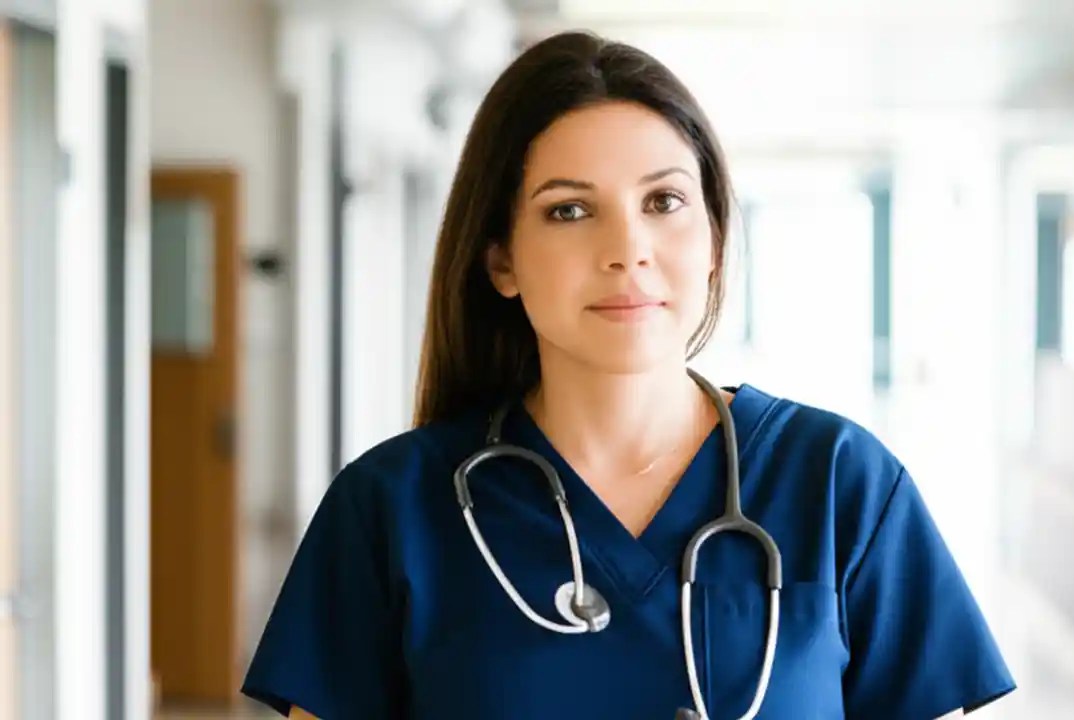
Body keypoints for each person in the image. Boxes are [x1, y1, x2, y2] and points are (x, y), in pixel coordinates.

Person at [241, 30, 1015, 720]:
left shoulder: (839, 486)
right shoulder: (392, 508)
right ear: (500, 260)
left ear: (713, 239)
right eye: (570, 211)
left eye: (665, 201)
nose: (628, 249)